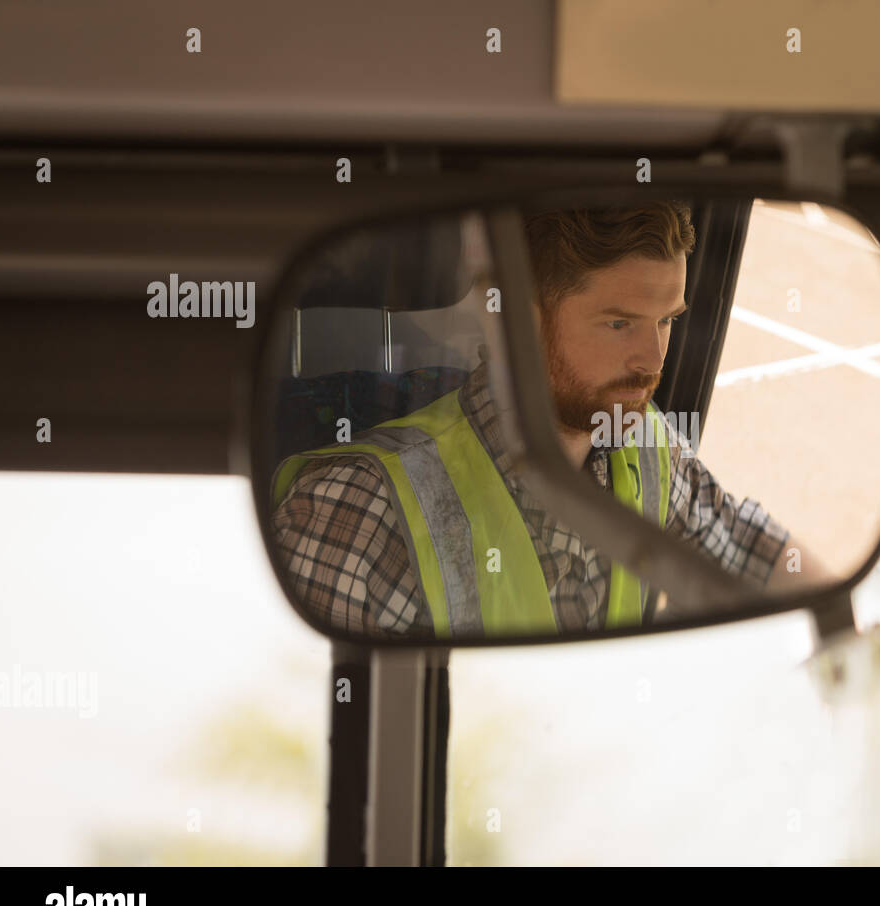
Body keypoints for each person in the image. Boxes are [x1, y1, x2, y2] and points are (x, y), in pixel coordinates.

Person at [270, 201, 833, 637]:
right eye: (620, 325)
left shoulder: (649, 447)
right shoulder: (356, 518)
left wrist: (839, 620)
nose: (654, 360)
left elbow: (748, 548)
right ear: (519, 323)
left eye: (666, 323)